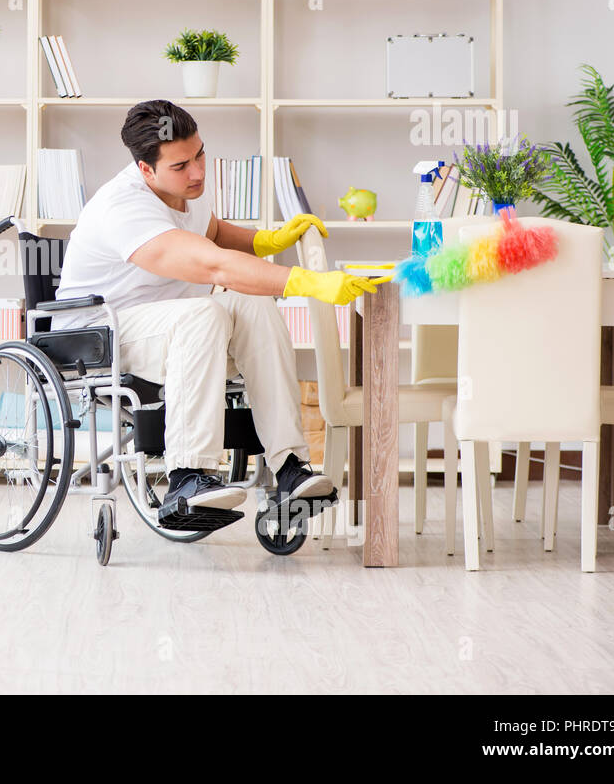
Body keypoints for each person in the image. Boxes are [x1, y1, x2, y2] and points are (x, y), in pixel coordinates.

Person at [53, 99, 389, 513]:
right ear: (146, 170)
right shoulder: (122, 208)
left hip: (173, 327)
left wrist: (267, 241)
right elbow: (212, 264)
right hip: (98, 335)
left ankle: (289, 466)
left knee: (253, 302)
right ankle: (187, 477)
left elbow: (210, 231)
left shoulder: (186, 184)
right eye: (180, 167)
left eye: (199, 156)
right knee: (207, 310)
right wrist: (307, 282)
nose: (196, 173)